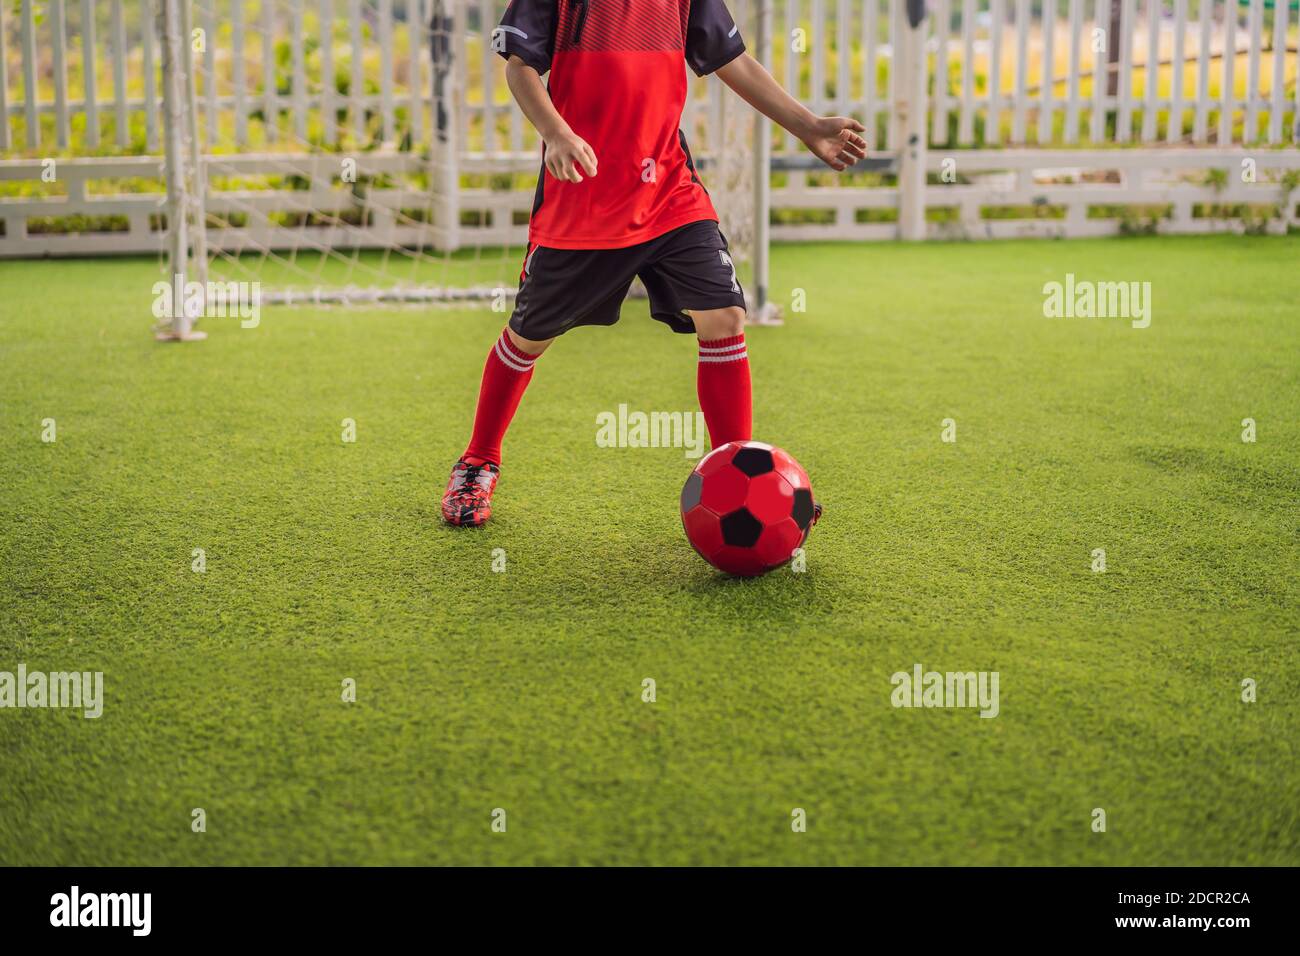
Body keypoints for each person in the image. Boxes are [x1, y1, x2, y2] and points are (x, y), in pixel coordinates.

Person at [442, 0, 866, 526]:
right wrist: (555, 132)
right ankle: (478, 461)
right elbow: (520, 66)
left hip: (668, 188)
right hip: (584, 196)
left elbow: (732, 60)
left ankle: (736, 477)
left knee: (725, 317)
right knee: (530, 337)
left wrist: (807, 125)